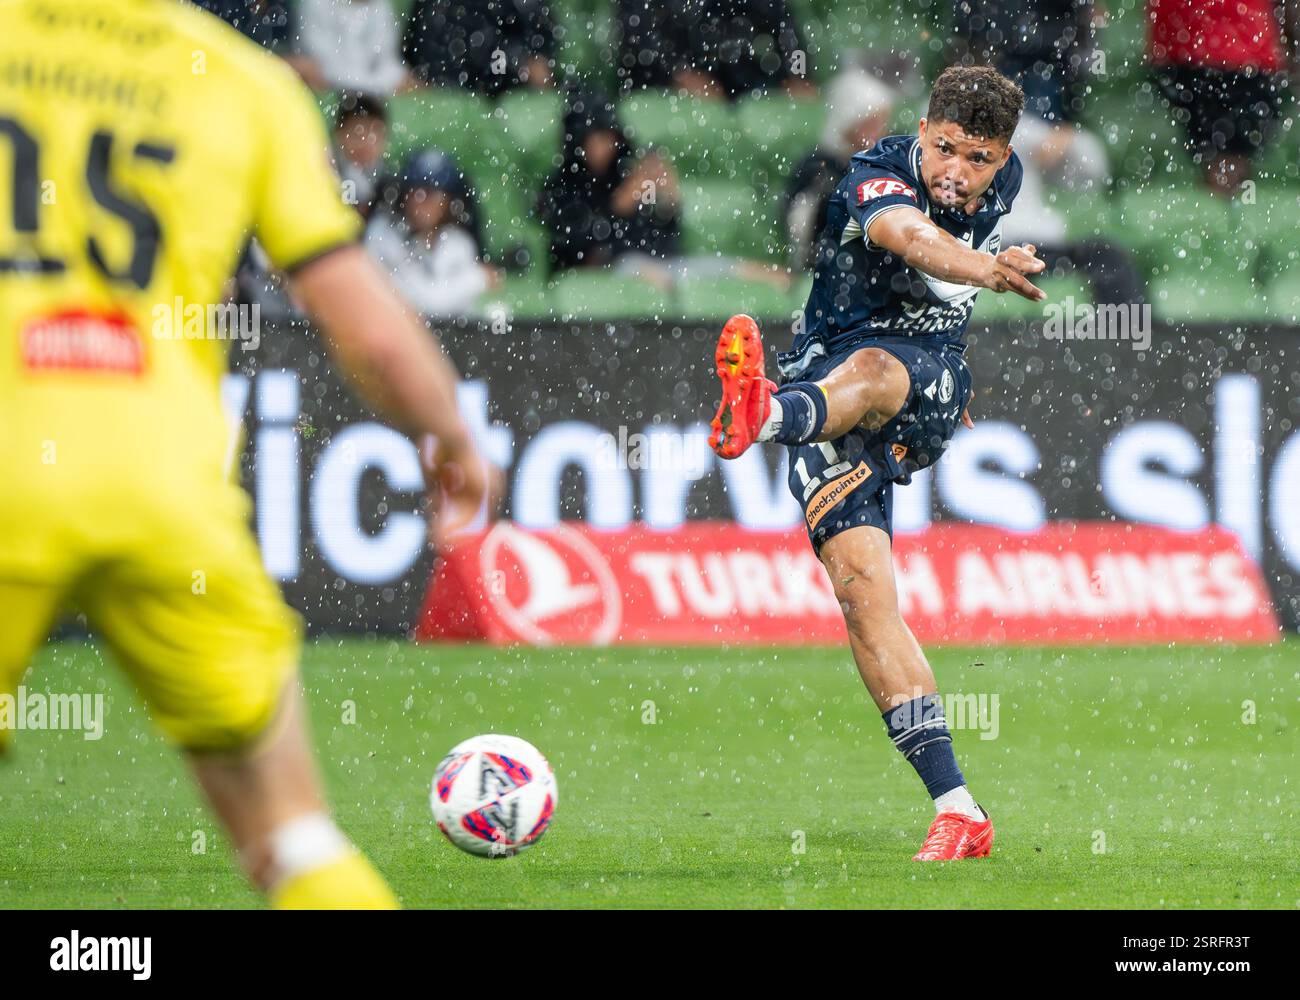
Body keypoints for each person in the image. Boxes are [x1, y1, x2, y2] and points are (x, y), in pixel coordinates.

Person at [0, 0, 489, 907]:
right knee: (290, 836)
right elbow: (365, 322)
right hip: (158, 483)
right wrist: (451, 435)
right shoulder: (239, 82)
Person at [706, 65, 1045, 861]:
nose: (960, 172)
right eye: (947, 149)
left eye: (982, 159)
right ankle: (960, 810)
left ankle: (762, 417)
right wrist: (984, 268)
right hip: (825, 388)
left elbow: (941, 262)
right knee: (863, 597)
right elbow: (909, 236)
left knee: (876, 374)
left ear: (1004, 159)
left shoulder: (1004, 177)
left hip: (917, 379)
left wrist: (983, 270)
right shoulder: (876, 174)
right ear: (920, 131)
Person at [1148, 0, 1291, 195]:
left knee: (1213, 154)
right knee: (1230, 154)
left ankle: (1220, 203)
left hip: (1183, 43)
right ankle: (1228, 203)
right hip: (1242, 45)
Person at [784, 63, 899, 271]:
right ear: (847, 122)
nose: (878, 132)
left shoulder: (886, 162)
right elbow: (802, 228)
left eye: (881, 124)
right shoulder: (819, 167)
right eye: (870, 124)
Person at [366, 149, 501, 318]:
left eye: (431, 193)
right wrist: (479, 277)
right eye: (415, 191)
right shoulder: (382, 232)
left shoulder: (459, 243)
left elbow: (464, 313)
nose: (420, 201)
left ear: (447, 200)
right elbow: (425, 306)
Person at [403, 0, 557, 96]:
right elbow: (419, 43)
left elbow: (539, 42)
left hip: (502, 88)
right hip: (442, 91)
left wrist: (524, 61)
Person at [298, 0, 419, 96]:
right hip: (333, 93)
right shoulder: (316, 4)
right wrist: (389, 84)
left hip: (374, 92)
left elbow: (388, 61)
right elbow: (322, 69)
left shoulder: (381, 6)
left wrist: (400, 76)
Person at [332, 92, 390, 220]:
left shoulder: (391, 186)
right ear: (339, 134)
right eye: (358, 132)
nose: (366, 142)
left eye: (375, 133)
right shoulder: (323, 177)